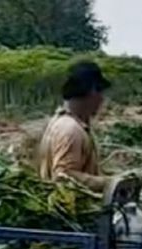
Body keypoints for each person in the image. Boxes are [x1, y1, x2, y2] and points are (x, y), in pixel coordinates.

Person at [37, 61, 113, 193]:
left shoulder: (59, 121)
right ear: (92, 91)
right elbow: (64, 176)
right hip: (76, 210)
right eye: (100, 92)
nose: (102, 99)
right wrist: (109, 183)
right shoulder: (70, 130)